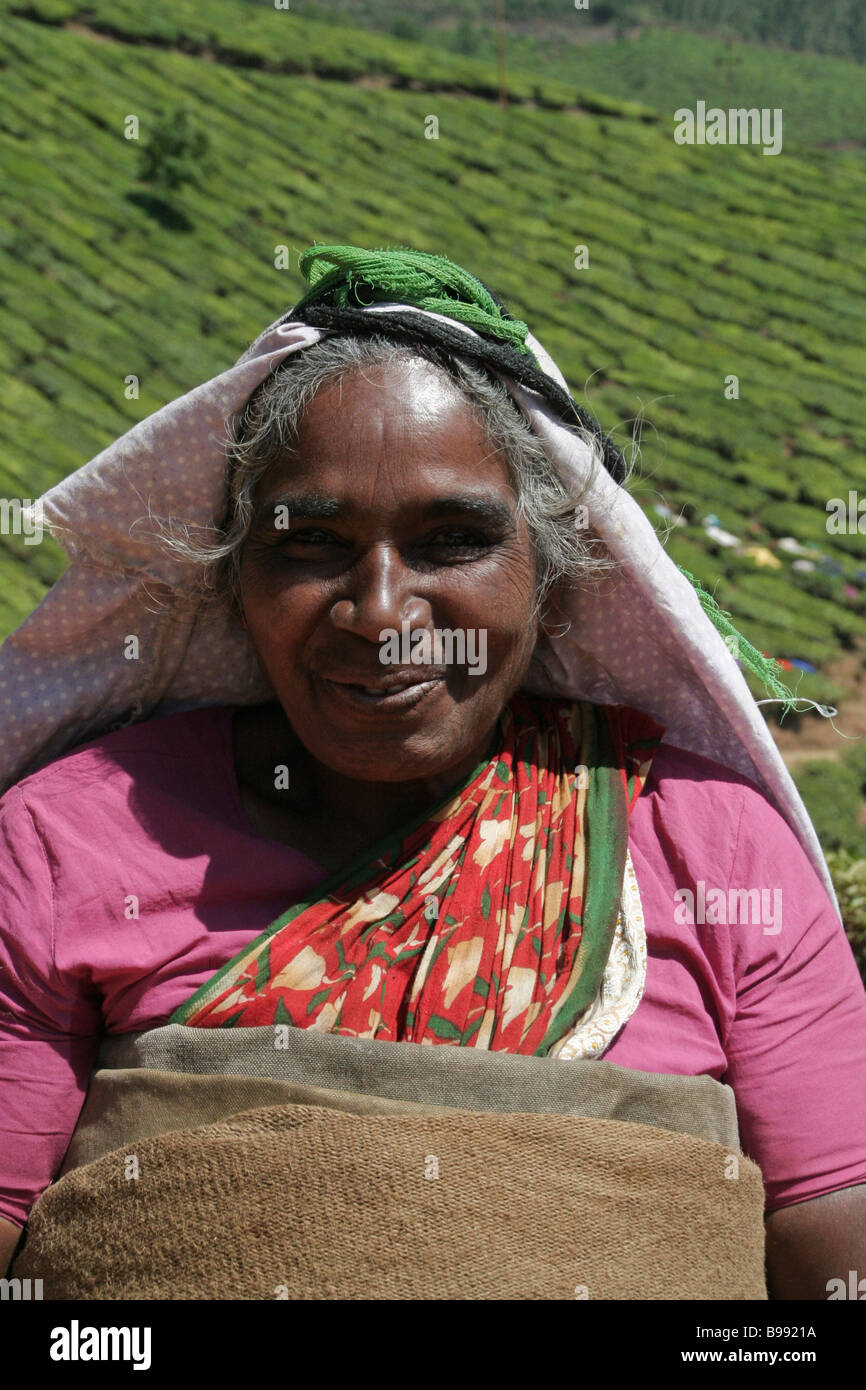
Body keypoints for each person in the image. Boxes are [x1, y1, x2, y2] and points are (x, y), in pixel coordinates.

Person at [0, 244, 864, 1299]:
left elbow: (836, 1252)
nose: (378, 613)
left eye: (451, 539)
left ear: (548, 581)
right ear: (235, 586)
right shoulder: (62, 846)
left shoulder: (715, 848)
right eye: (308, 543)